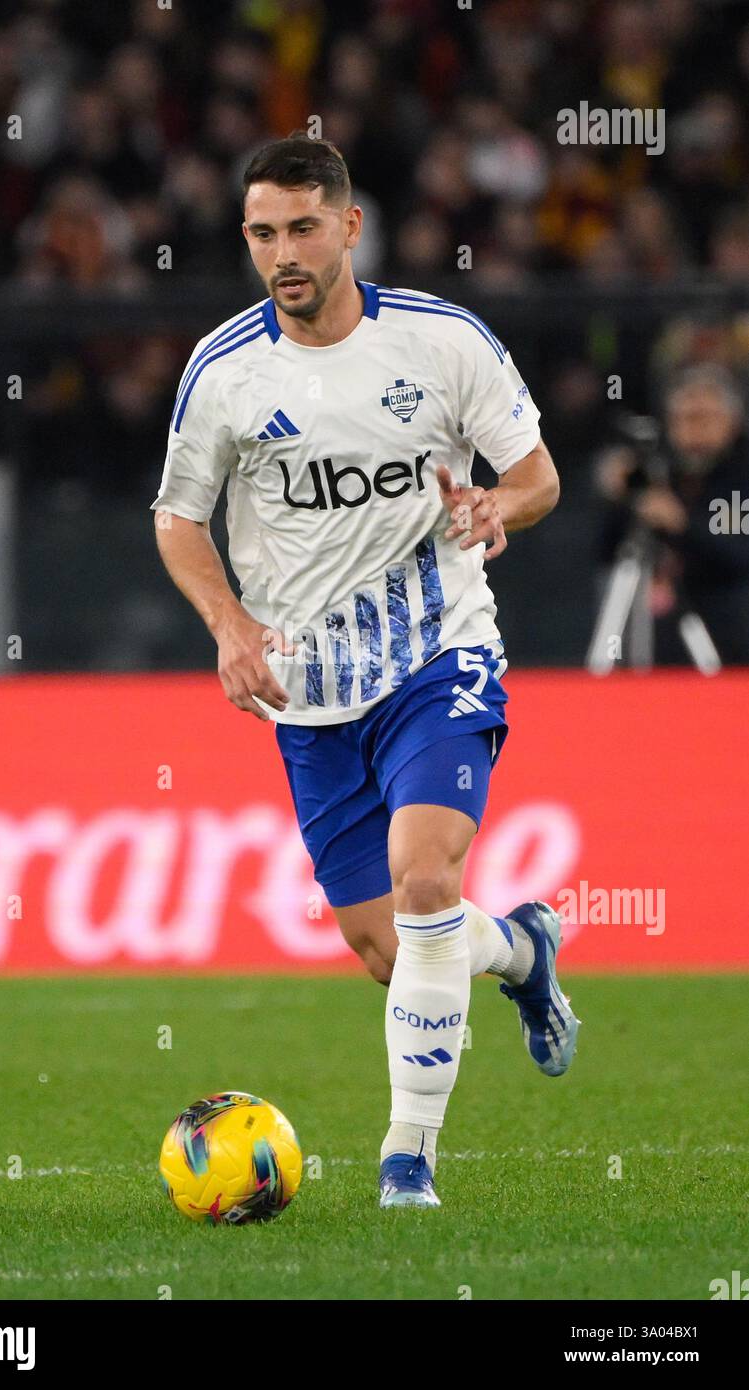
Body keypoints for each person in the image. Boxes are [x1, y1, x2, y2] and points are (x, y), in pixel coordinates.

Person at [152, 135, 580, 1210]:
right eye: (263, 233)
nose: (283, 254)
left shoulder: (441, 341)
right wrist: (228, 624)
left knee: (427, 880)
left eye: (303, 228)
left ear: (349, 226)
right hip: (309, 691)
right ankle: (520, 950)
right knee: (389, 948)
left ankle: (407, 1163)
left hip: (439, 652)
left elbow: (537, 476)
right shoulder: (224, 369)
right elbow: (177, 518)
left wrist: (497, 503)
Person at [596, 364, 749, 664]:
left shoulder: (741, 477)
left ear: (732, 421)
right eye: (681, 419)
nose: (692, 430)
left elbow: (739, 557)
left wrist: (682, 525)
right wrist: (621, 497)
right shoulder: (661, 473)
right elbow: (607, 551)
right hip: (657, 641)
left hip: (730, 640)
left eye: (703, 418)